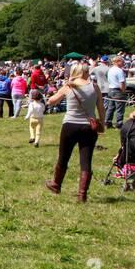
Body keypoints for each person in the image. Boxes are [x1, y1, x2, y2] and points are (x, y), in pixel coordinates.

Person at [44, 62, 105, 202]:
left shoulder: (68, 86)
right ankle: (82, 194)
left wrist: (58, 92)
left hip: (70, 125)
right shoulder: (94, 86)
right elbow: (101, 108)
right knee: (86, 160)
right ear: (85, 71)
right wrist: (102, 123)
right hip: (89, 127)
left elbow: (51, 101)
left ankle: (56, 184)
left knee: (63, 157)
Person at [105, 56, 127, 128]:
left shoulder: (110, 70)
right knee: (120, 108)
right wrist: (123, 91)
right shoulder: (119, 70)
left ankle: (108, 122)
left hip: (111, 90)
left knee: (110, 107)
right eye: (122, 61)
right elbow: (122, 82)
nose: (123, 63)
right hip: (118, 91)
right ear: (118, 62)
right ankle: (119, 124)